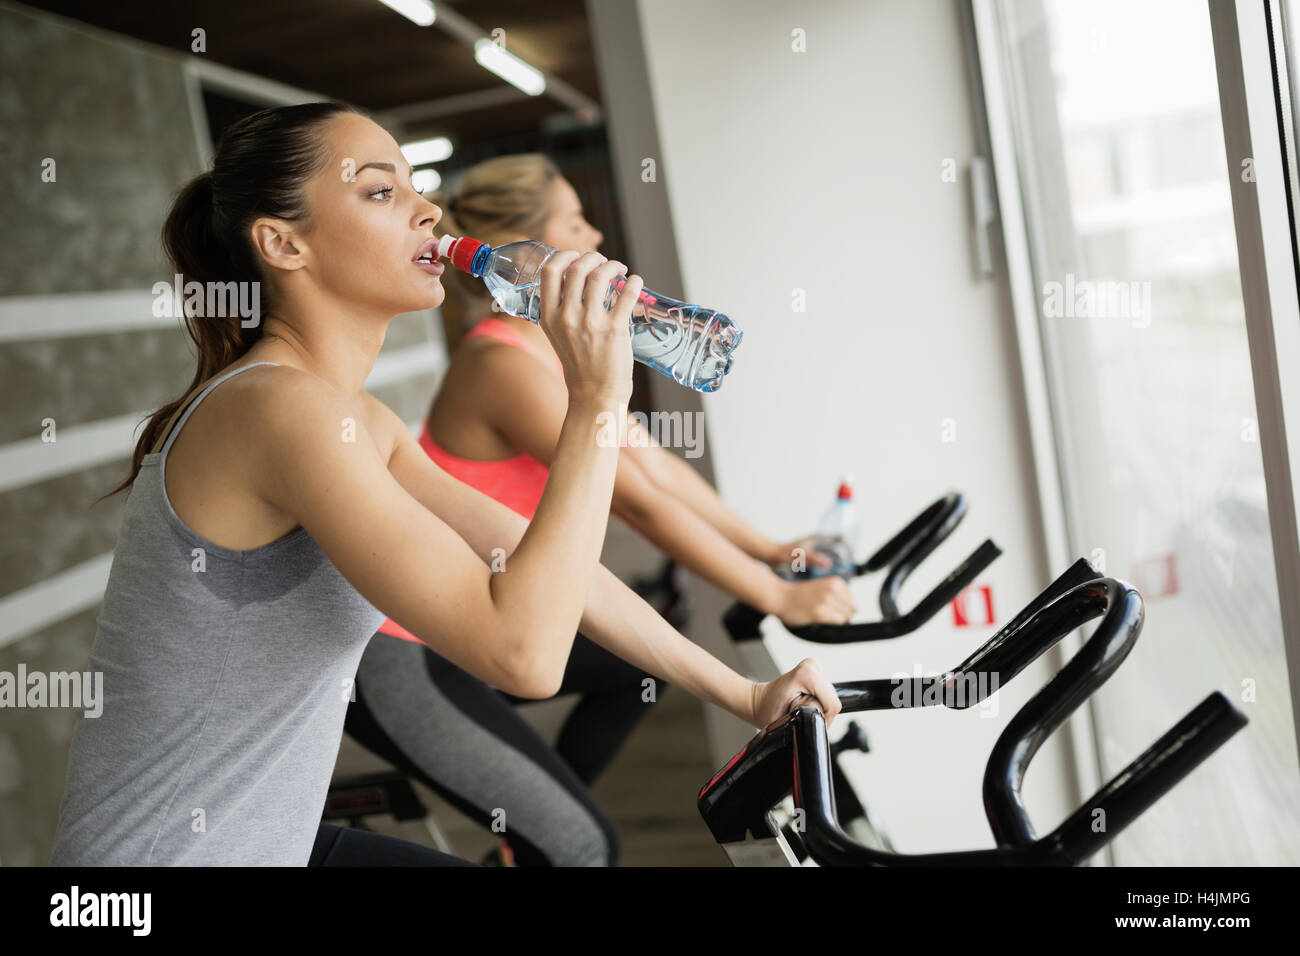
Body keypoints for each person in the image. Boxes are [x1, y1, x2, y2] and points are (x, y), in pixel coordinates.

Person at [46, 101, 842, 867]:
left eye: (414, 186)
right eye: (380, 190)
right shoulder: (278, 410)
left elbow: (544, 567)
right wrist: (597, 399)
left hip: (273, 845)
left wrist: (746, 692)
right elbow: (525, 654)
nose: (426, 209)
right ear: (284, 245)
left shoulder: (354, 419)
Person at [343, 153, 855, 866]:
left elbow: (656, 468)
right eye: (575, 223)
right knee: (581, 844)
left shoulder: (555, 353)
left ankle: (528, 831)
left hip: (481, 614)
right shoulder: (500, 364)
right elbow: (640, 504)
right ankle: (536, 832)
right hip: (409, 651)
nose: (595, 240)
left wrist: (774, 554)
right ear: (533, 251)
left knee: (623, 680)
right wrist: (776, 596)